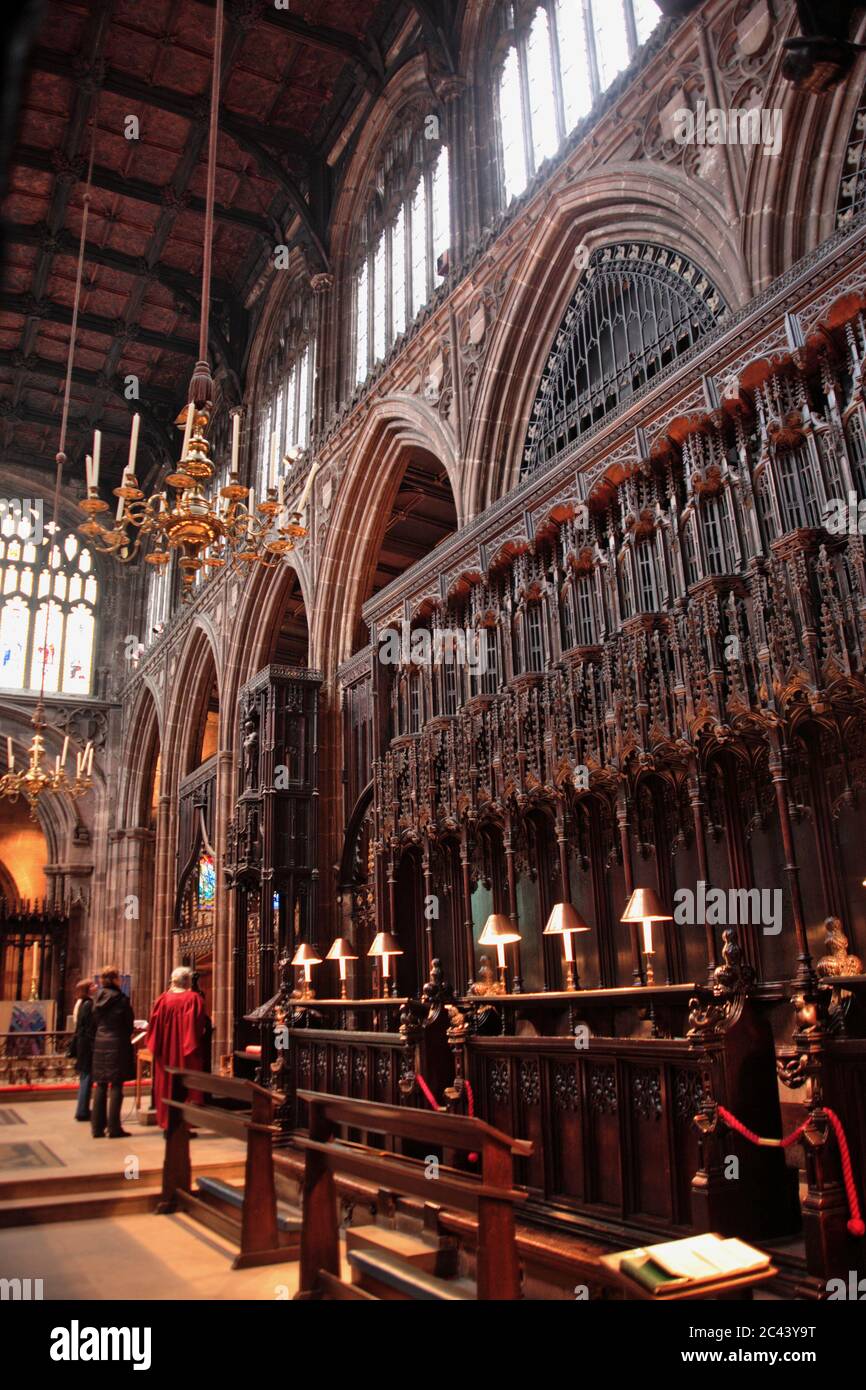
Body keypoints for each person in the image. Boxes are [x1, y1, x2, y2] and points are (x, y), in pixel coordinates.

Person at [146, 966, 207, 1130]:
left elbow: (153, 1027)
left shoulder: (162, 999)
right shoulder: (193, 999)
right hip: (186, 1053)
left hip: (165, 1053)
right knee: (185, 1085)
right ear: (187, 981)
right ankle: (184, 1124)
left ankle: (167, 1121)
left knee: (166, 1085)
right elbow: (199, 1026)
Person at [90, 966, 135, 1139]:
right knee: (116, 1085)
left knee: (101, 1085)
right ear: (115, 979)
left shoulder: (97, 998)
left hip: (100, 1043)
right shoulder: (121, 999)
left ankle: (97, 1128)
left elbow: (94, 1022)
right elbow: (128, 1023)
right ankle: (114, 1128)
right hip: (117, 1044)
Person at [70, 978, 94, 1122]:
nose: (96, 986)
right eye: (92, 985)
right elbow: (88, 1027)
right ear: (87, 989)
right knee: (86, 1077)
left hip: (82, 1044)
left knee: (85, 1077)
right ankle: (82, 1110)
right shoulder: (87, 1004)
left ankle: (82, 1109)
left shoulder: (81, 1002)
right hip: (86, 1045)